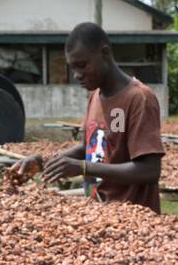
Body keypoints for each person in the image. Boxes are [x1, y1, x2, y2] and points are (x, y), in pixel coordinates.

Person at [9, 22, 163, 213]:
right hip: (100, 213)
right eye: (73, 68)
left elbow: (149, 170)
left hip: (135, 219)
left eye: (82, 66)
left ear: (104, 53)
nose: (77, 75)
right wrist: (43, 162)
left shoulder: (139, 98)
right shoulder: (95, 96)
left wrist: (83, 168)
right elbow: (87, 148)